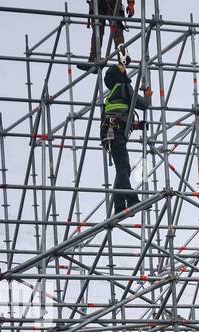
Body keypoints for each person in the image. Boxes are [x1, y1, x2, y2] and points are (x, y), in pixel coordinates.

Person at [100, 61, 150, 217]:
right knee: (123, 168)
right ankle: (132, 199)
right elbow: (144, 104)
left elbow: (119, 116)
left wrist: (135, 126)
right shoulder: (124, 88)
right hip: (115, 133)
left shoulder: (111, 95)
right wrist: (147, 92)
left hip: (109, 133)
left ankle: (119, 205)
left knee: (121, 168)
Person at [78, 1, 134, 73]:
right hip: (97, 3)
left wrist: (131, 4)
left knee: (116, 29)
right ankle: (94, 59)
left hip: (112, 3)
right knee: (97, 30)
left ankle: (122, 57)